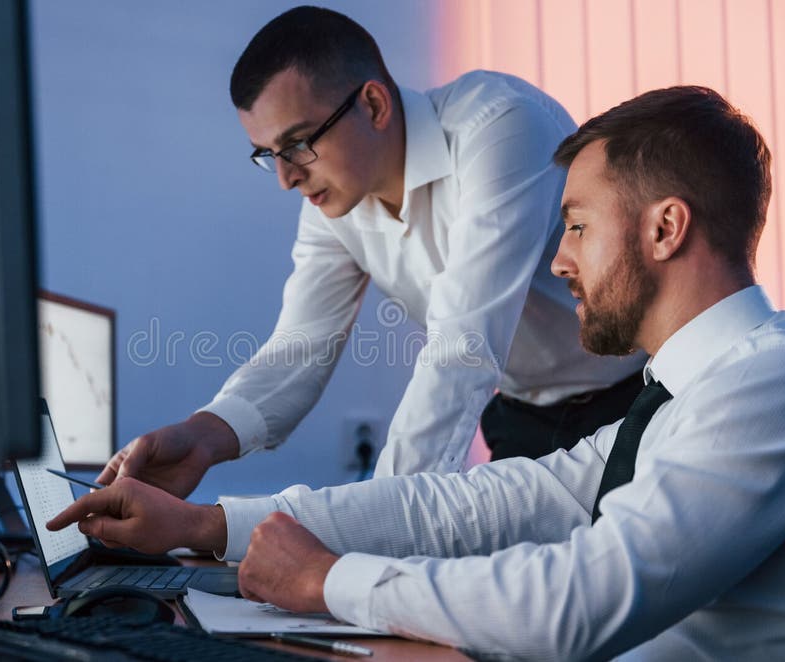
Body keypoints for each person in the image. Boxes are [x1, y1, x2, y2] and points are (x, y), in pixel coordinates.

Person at [50, 86, 785, 659]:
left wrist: (333, 580)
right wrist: (211, 525)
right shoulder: (687, 398)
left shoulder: (771, 384)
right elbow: (493, 503)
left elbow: (576, 602)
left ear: (665, 228)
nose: (557, 260)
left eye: (576, 225)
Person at [99, 6, 644, 497]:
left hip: (630, 400)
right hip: (521, 415)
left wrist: (377, 518)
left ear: (375, 103)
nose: (286, 178)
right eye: (268, 155)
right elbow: (300, 347)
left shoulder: (501, 126)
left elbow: (462, 346)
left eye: (297, 144)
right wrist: (202, 436)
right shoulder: (331, 205)